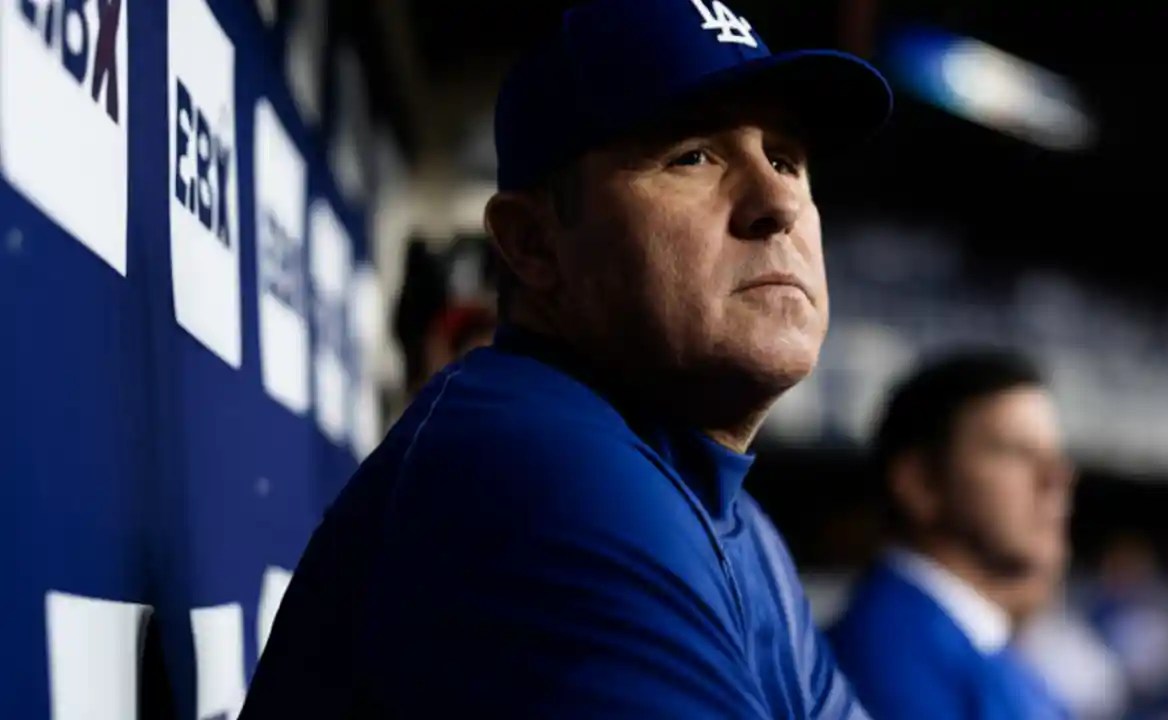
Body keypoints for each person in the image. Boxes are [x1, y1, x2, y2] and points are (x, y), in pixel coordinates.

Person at [240, 0, 892, 717]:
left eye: (786, 159)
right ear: (532, 244)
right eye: (692, 156)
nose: (778, 202)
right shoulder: (541, 470)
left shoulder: (733, 518)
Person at [827, 349, 1077, 720]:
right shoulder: (892, 658)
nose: (1056, 480)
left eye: (1055, 458)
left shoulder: (971, 642)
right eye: (1015, 452)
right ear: (921, 483)